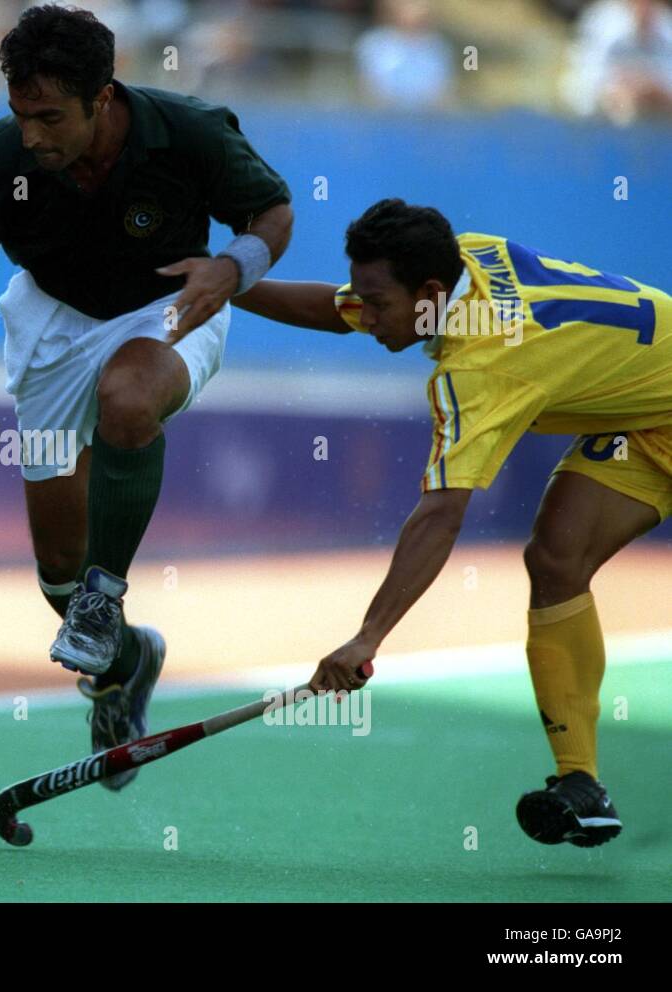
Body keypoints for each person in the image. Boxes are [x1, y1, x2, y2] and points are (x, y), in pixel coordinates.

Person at [0, 4, 292, 789]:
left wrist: (233, 267)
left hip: (170, 305)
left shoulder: (188, 132)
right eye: (19, 114)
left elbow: (273, 211)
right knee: (57, 566)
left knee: (129, 399)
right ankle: (126, 661)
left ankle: (107, 599)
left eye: (49, 116)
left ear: (104, 99)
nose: (32, 135)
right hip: (52, 325)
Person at [234, 198, 672, 847]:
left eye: (377, 301)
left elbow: (441, 515)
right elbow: (336, 310)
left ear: (431, 293)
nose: (366, 313)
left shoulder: (478, 367)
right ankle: (581, 783)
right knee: (556, 558)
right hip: (648, 413)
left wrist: (367, 638)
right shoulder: (458, 255)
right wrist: (226, 288)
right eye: (365, 293)